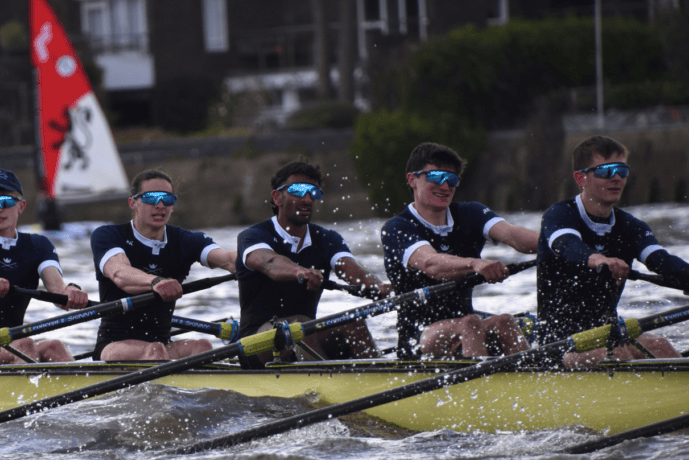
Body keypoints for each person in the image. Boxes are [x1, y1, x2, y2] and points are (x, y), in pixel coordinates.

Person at [537, 135, 689, 366]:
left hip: (608, 334)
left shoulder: (630, 226)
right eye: (605, 171)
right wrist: (598, 259)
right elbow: (568, 246)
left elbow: (661, 260)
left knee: (661, 346)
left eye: (622, 170)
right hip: (558, 344)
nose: (616, 178)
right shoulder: (559, 214)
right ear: (581, 178)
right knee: (615, 356)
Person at [381, 143, 538, 360]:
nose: (445, 186)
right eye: (436, 177)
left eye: (452, 179)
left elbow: (512, 235)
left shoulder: (470, 213)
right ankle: (480, 390)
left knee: (504, 321)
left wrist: (562, 245)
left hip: (467, 326)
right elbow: (431, 264)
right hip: (418, 338)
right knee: (470, 323)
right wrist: (475, 264)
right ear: (412, 180)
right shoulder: (397, 227)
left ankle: (530, 383)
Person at [236, 161, 392, 365]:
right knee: (300, 325)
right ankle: (320, 385)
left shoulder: (327, 238)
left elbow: (351, 269)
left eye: (314, 193)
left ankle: (379, 375)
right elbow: (270, 263)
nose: (308, 199)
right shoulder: (253, 236)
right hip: (255, 344)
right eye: (299, 191)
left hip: (303, 336)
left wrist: (375, 284)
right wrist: (299, 271)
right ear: (277, 197)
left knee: (352, 322)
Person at [91, 169, 237, 361]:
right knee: (155, 351)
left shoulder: (184, 240)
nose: (160, 205)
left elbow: (227, 259)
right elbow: (120, 273)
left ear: (173, 205)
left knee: (202, 346)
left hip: (161, 344)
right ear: (133, 203)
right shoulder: (108, 235)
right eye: (151, 198)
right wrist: (156, 282)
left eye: (167, 199)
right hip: (113, 345)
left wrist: (263, 261)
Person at [0, 169, 88, 365]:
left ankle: (84, 394)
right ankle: (31, 394)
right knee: (23, 344)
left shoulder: (38, 245)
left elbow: (59, 295)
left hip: (12, 344)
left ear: (21, 206)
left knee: (53, 346)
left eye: (5, 201)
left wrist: (72, 291)